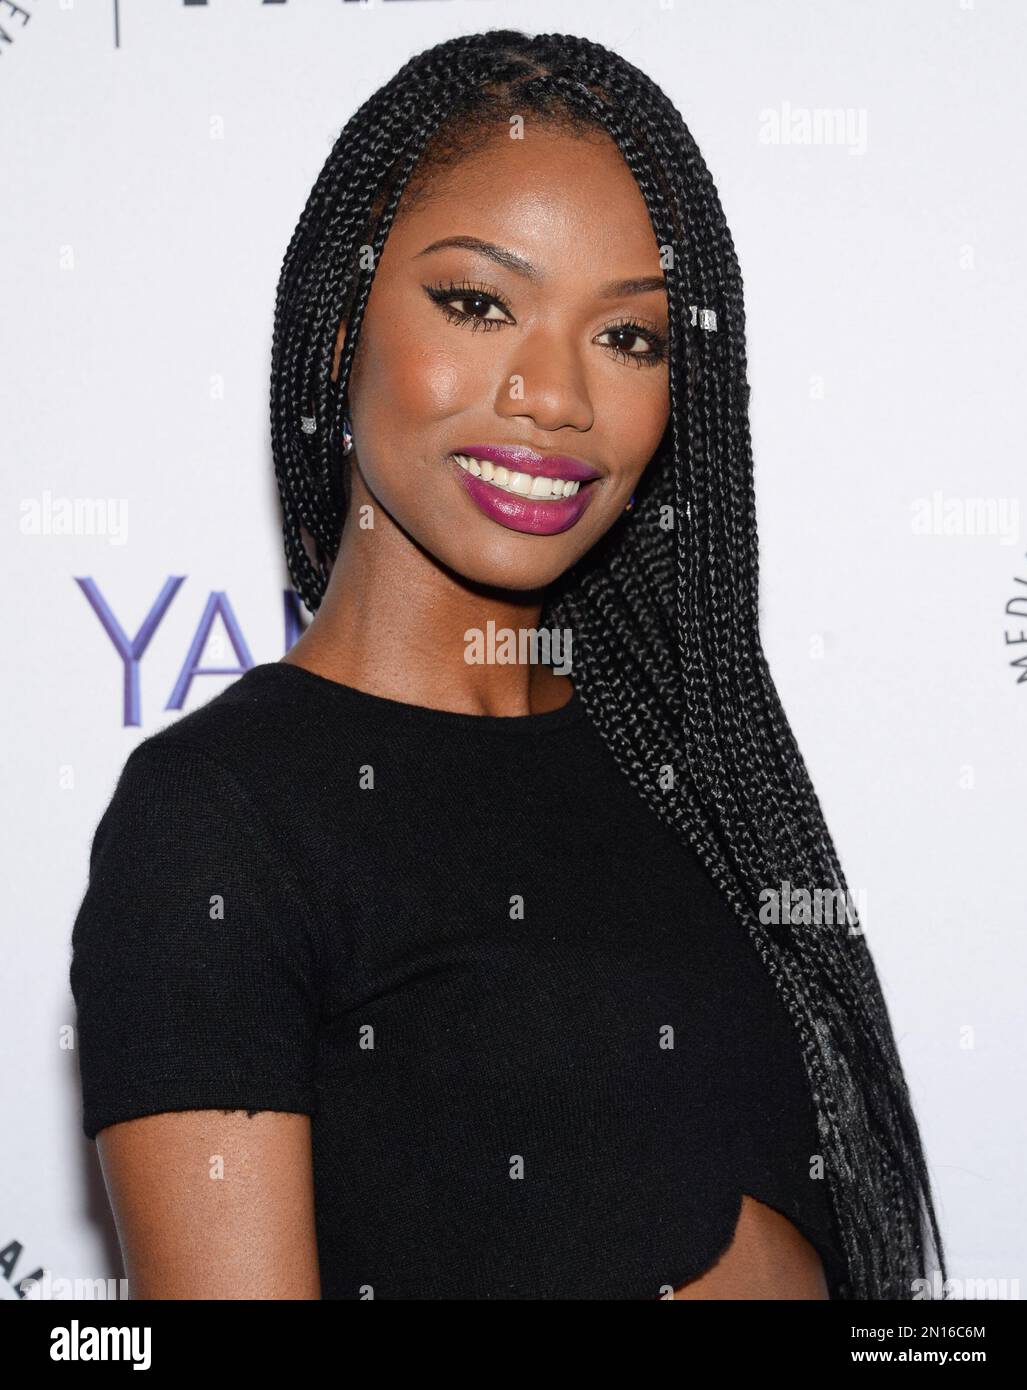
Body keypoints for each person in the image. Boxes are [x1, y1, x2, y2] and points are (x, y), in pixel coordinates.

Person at [69, 28, 946, 1300]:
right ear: (337, 325)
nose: (555, 397)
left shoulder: (691, 769)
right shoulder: (214, 820)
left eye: (629, 339)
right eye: (477, 304)